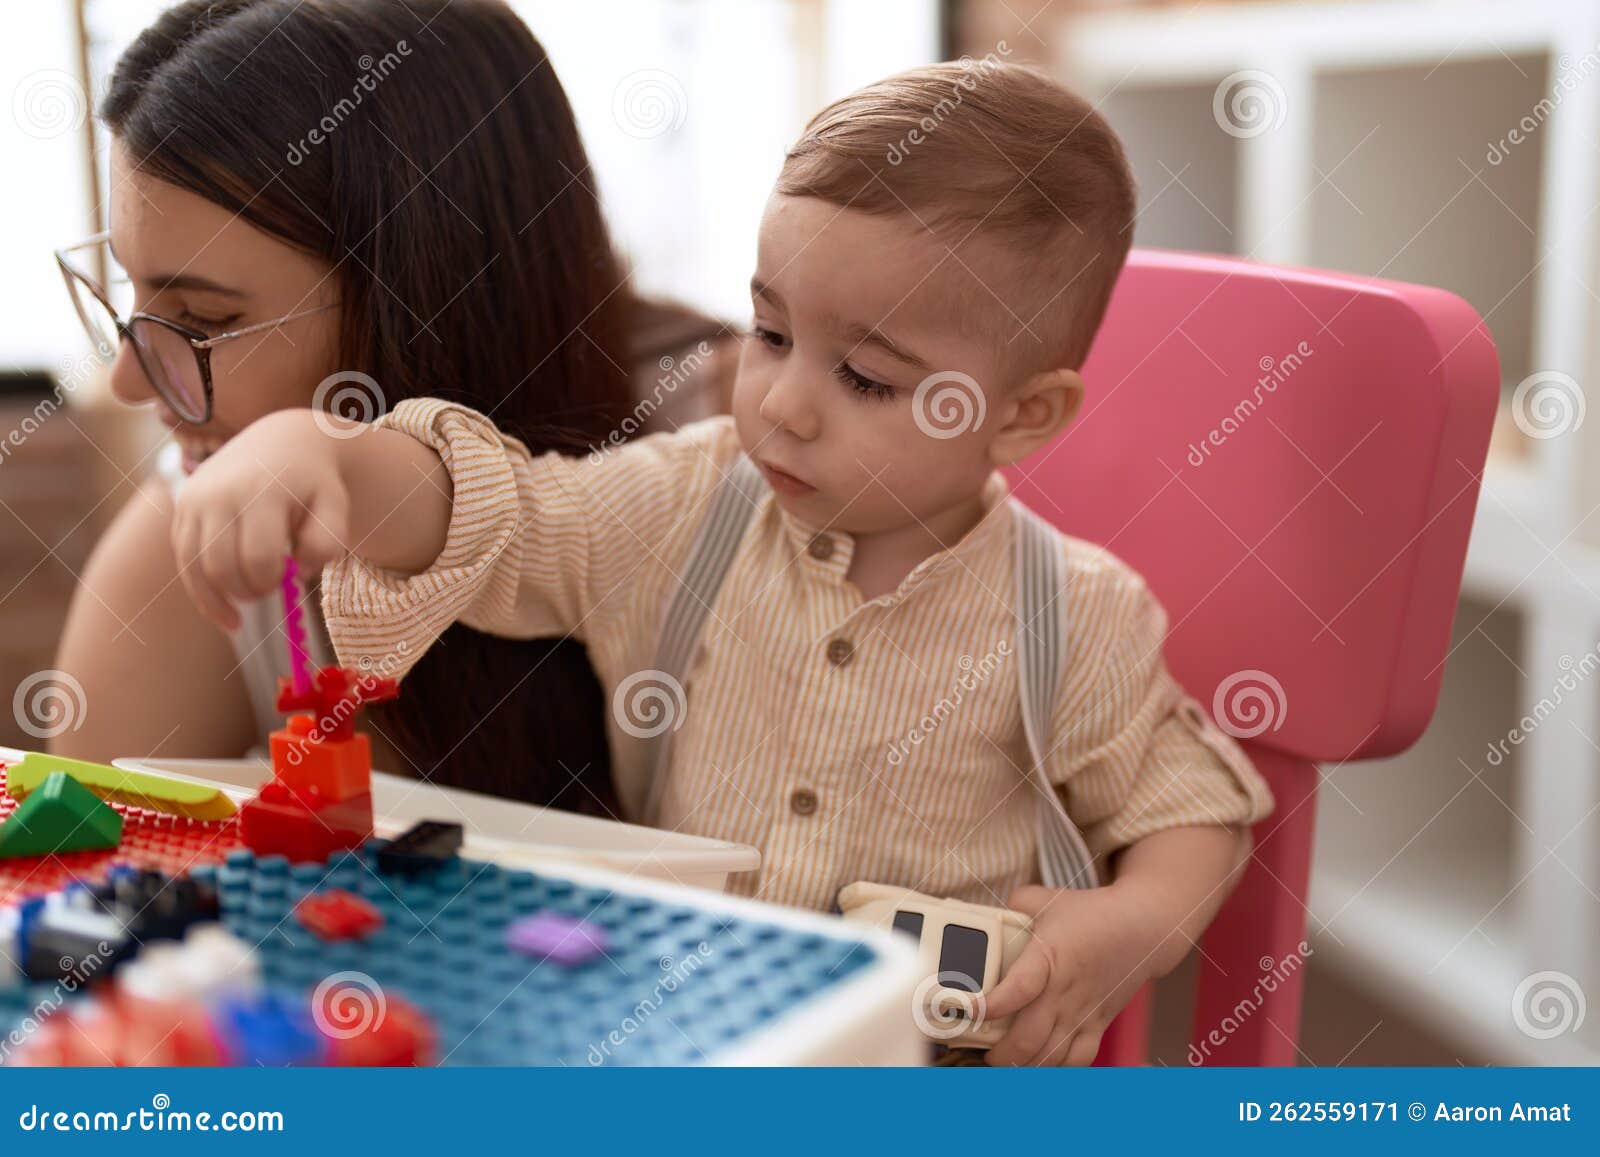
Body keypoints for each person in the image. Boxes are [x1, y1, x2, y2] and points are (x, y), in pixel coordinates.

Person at [166, 62, 1276, 1066]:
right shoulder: (688, 504)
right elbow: (494, 519)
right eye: (772, 331)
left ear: (1023, 414)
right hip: (685, 1035)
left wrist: (1131, 927)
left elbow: (1187, 805)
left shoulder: (1076, 611)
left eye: (869, 380)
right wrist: (327, 454)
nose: (784, 403)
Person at [51, 0, 652, 812]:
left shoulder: (731, 479)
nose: (127, 380)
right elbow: (91, 892)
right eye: (133, 293)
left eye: (203, 319)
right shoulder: (193, 549)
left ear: (429, 299)